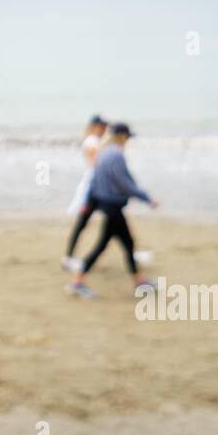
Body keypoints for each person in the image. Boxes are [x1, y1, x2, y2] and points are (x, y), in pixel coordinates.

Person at [66, 123, 157, 299]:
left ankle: (140, 281)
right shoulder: (115, 155)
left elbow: (96, 181)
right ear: (122, 136)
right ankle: (77, 282)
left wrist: (91, 203)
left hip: (108, 205)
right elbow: (124, 183)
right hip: (113, 206)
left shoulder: (104, 152)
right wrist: (147, 198)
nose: (129, 141)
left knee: (127, 244)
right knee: (104, 246)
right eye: (128, 137)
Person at [63, 115, 108, 272]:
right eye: (102, 127)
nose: (104, 130)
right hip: (93, 188)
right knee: (82, 223)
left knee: (112, 220)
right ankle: (68, 258)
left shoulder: (93, 141)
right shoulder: (92, 142)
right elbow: (95, 164)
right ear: (96, 126)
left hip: (96, 187)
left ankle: (68, 257)